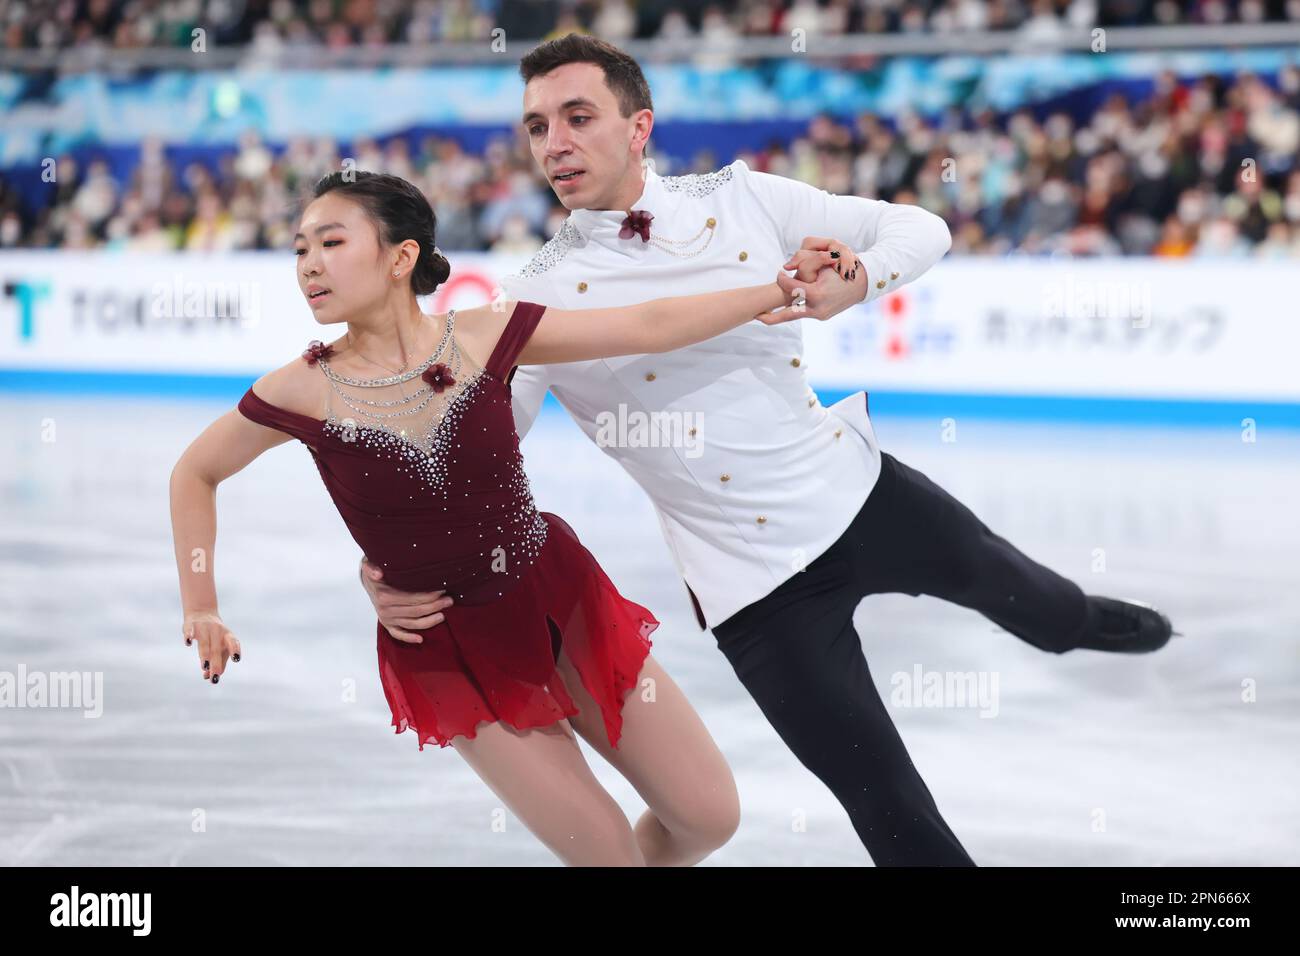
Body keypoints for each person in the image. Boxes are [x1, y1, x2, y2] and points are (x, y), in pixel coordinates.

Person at [356, 34, 1177, 867]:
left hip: (862, 497)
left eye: (578, 117)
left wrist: (856, 282)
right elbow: (483, 453)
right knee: (888, 801)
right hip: (753, 587)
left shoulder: (742, 195)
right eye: (537, 127)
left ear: (639, 127)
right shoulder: (533, 295)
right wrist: (394, 556)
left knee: (1035, 599)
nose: (554, 144)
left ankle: (1075, 623)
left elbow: (921, 228)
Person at [168, 168, 830, 867]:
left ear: (401, 257)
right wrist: (202, 605)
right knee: (609, 858)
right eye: (300, 249)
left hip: (558, 598)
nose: (308, 265)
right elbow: (194, 473)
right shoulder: (298, 389)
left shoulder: (485, 333)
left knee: (708, 816)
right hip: (452, 645)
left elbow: (648, 325)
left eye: (331, 243)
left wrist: (778, 290)